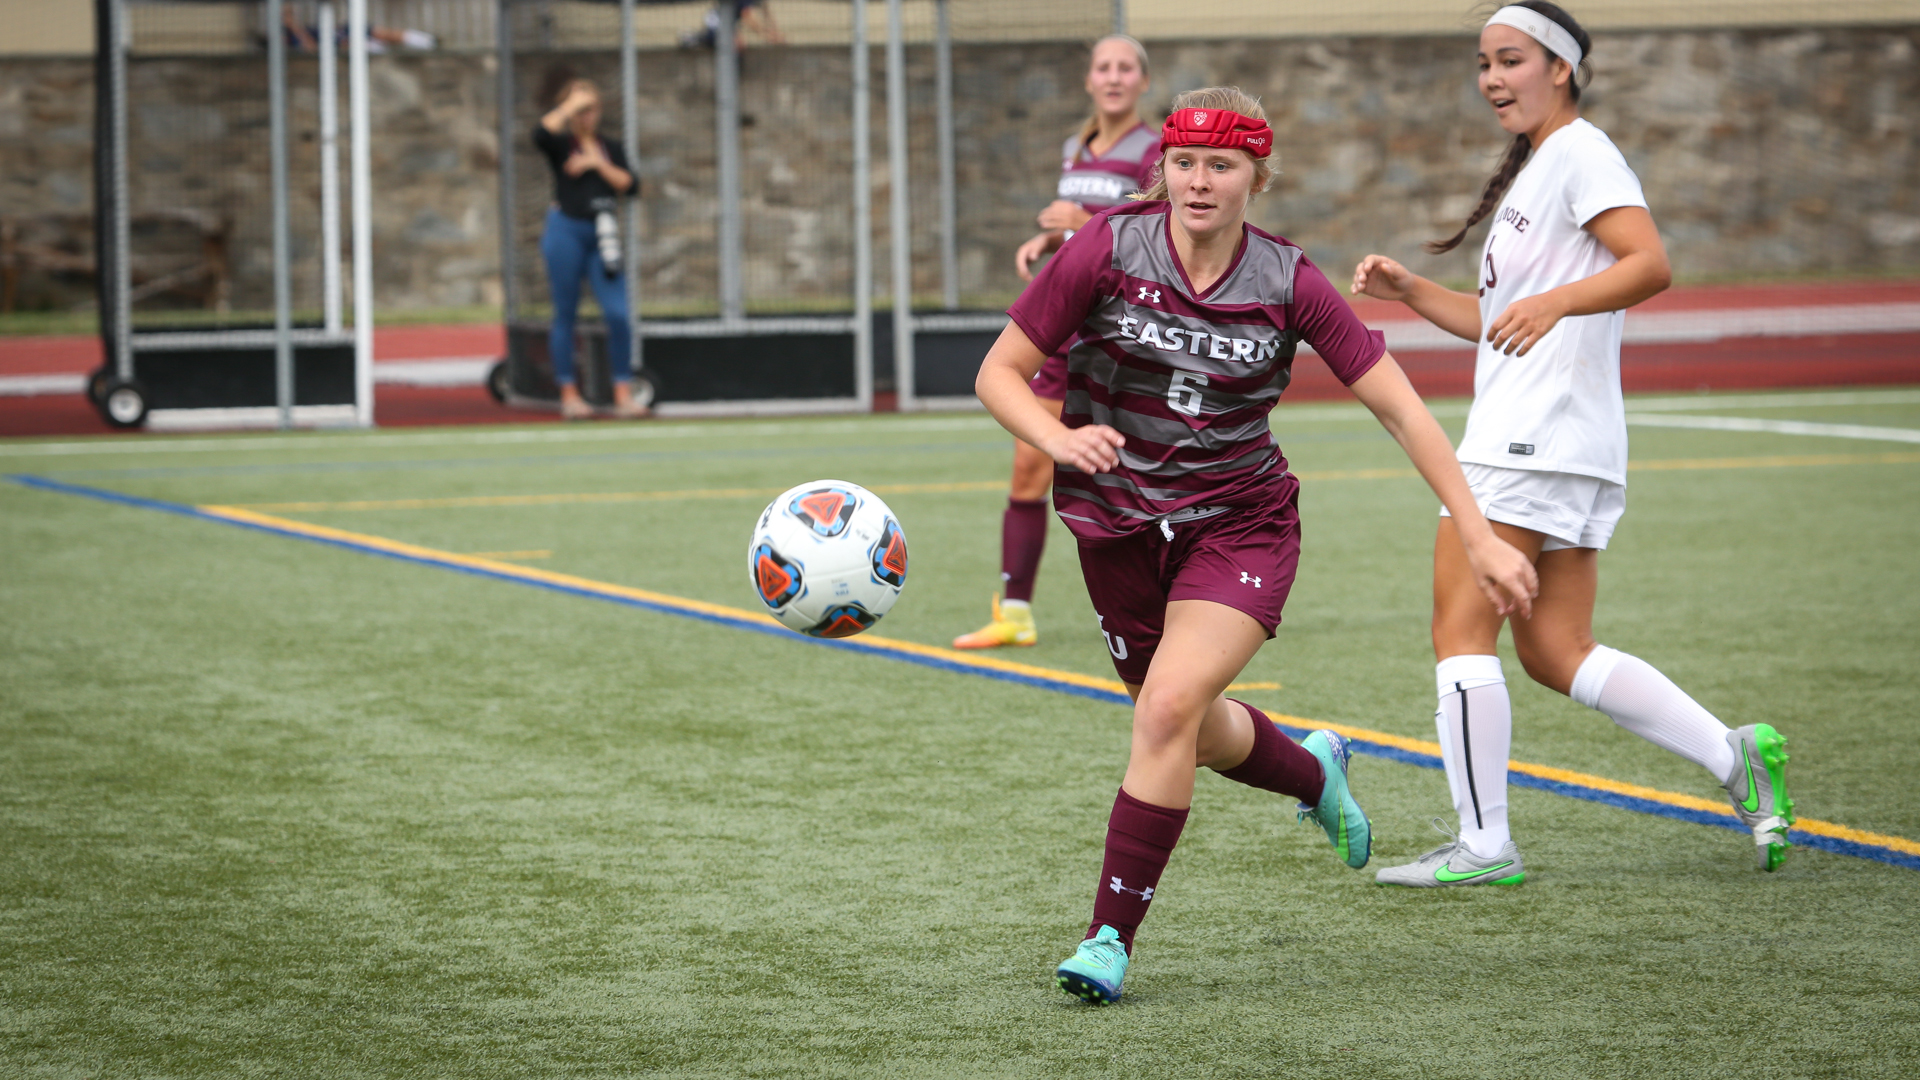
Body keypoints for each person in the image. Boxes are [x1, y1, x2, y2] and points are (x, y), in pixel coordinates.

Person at [975, 87, 1538, 1005]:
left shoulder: (1288, 280)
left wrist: (1477, 532)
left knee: (1163, 715)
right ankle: (1312, 770)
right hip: (1114, 528)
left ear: (1256, 177)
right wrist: (1056, 440)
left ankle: (1107, 942)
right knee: (1187, 728)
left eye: (1222, 165)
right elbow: (997, 372)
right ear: (1162, 168)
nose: (1200, 182)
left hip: (1240, 523)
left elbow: (1401, 409)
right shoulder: (1108, 246)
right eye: (1185, 163)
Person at [1352, 2, 1796, 887]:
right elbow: (1498, 324)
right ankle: (1734, 755)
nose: (1492, 79)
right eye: (1483, 63)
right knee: (1556, 650)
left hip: (1530, 436)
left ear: (1560, 66)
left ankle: (1484, 846)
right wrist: (1413, 291)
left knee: (1459, 631)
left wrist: (1556, 303)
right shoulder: (1543, 167)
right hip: (1571, 441)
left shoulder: (1582, 150)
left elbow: (1648, 263)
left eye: (1509, 59)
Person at [954, 35, 1161, 650]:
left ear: (1142, 82)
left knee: (1138, 472)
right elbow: (1083, 239)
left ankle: (1176, 598)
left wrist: (1081, 224)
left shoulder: (1154, 151)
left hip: (1121, 332)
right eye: (1104, 67)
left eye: (1126, 68)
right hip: (1067, 328)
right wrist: (1048, 243)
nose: (1115, 77)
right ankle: (1015, 611)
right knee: (1027, 464)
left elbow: (1152, 230)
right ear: (1089, 80)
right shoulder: (1076, 146)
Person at [534, 73, 647, 420]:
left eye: (591, 109)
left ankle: (622, 393)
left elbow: (630, 185)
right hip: (566, 231)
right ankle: (570, 393)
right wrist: (570, 104)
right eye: (582, 110)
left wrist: (597, 162)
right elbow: (539, 134)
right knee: (565, 314)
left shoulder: (610, 148)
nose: (587, 116)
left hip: (603, 236)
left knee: (617, 313)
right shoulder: (561, 144)